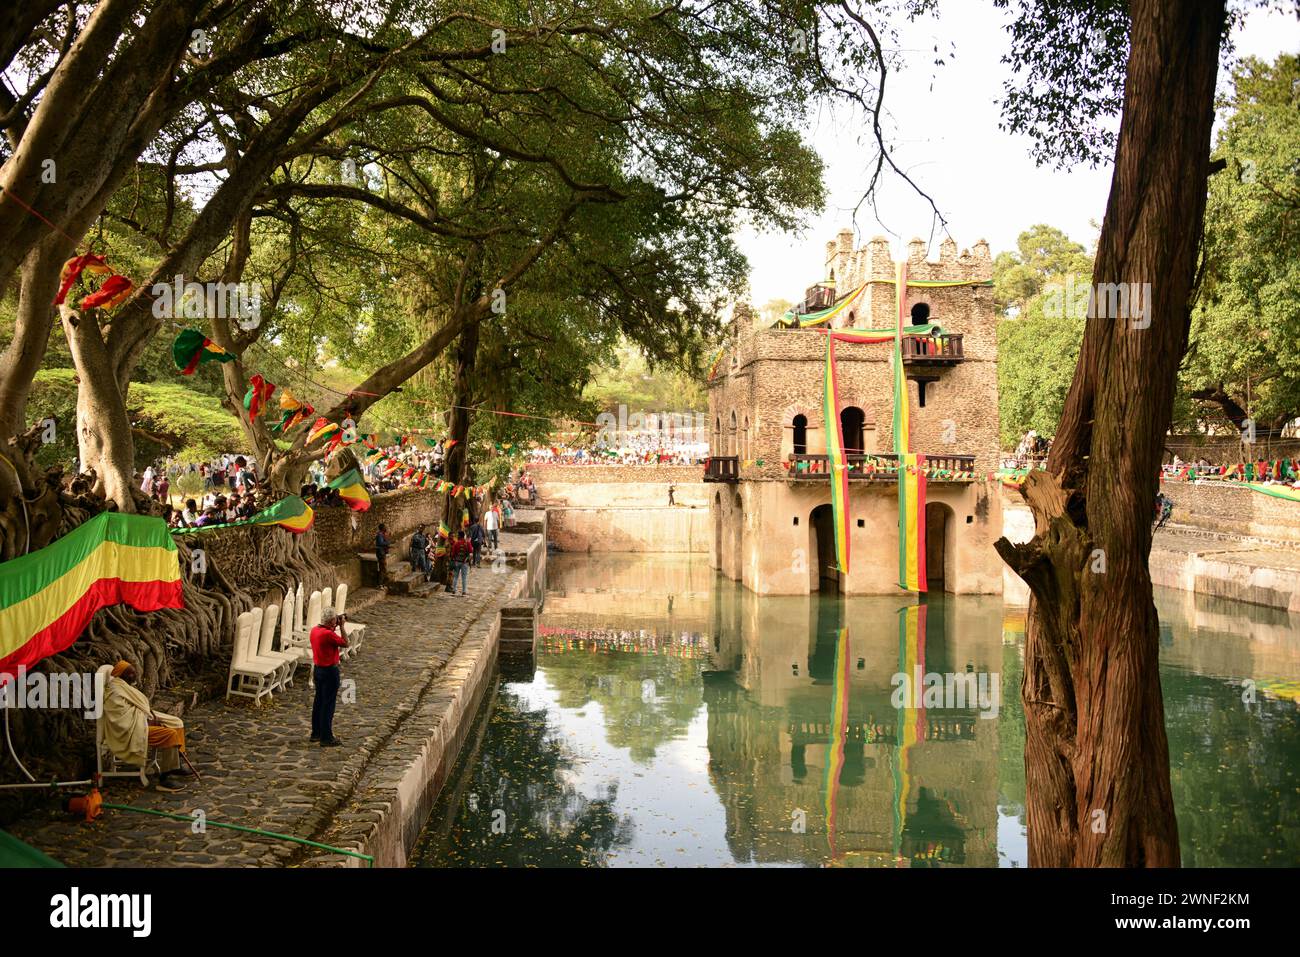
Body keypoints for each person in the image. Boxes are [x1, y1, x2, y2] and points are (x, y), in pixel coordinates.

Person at [102, 660, 191, 792]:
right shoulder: (115, 692)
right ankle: (164, 779)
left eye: (134, 672)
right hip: (131, 730)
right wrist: (146, 720)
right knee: (170, 734)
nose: (135, 675)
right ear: (121, 675)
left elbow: (134, 708)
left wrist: (148, 717)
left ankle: (176, 762)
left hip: (139, 719)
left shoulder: (122, 686)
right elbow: (122, 721)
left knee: (176, 722)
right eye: (131, 673)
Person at [449, 530, 471, 596]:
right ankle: (464, 591)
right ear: (463, 536)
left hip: (457, 562)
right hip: (464, 562)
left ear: (459, 536)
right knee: (464, 577)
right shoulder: (467, 543)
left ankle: (454, 589)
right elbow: (471, 550)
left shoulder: (456, 543)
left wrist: (453, 559)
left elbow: (453, 553)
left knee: (455, 576)